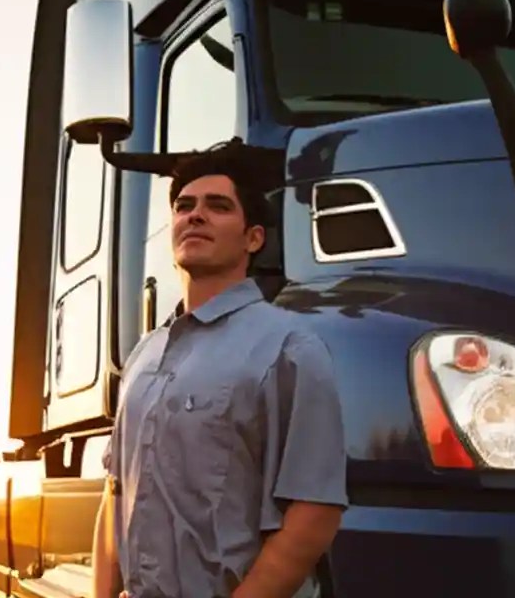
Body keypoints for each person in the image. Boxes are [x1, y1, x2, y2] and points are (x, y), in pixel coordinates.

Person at [92, 144, 349, 598]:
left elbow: (314, 513)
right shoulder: (144, 355)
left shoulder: (289, 347)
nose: (195, 215)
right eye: (184, 206)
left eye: (218, 206)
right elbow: (115, 496)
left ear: (253, 238)